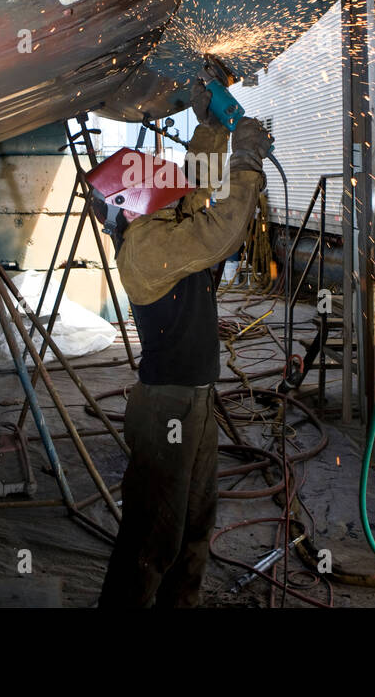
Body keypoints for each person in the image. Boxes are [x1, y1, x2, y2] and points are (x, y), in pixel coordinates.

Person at [89, 85, 272, 607]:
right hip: (167, 406)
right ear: (129, 207)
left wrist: (211, 124)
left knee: (195, 523)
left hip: (195, 399)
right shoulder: (147, 249)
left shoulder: (156, 222)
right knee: (153, 538)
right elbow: (222, 230)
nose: (166, 189)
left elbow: (192, 184)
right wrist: (247, 159)